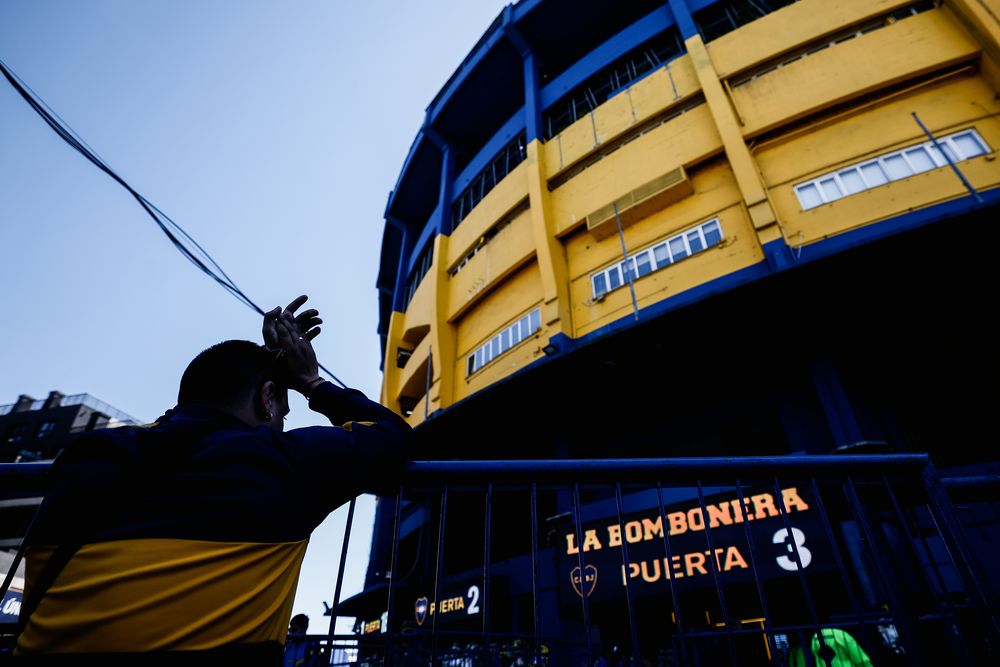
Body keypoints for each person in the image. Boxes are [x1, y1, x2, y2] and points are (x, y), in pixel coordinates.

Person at [13, 296, 412, 665]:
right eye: (282, 414)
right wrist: (310, 381)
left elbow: (185, 419)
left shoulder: (89, 454)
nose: (280, 426)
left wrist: (256, 369)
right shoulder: (284, 463)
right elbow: (394, 436)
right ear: (267, 399)